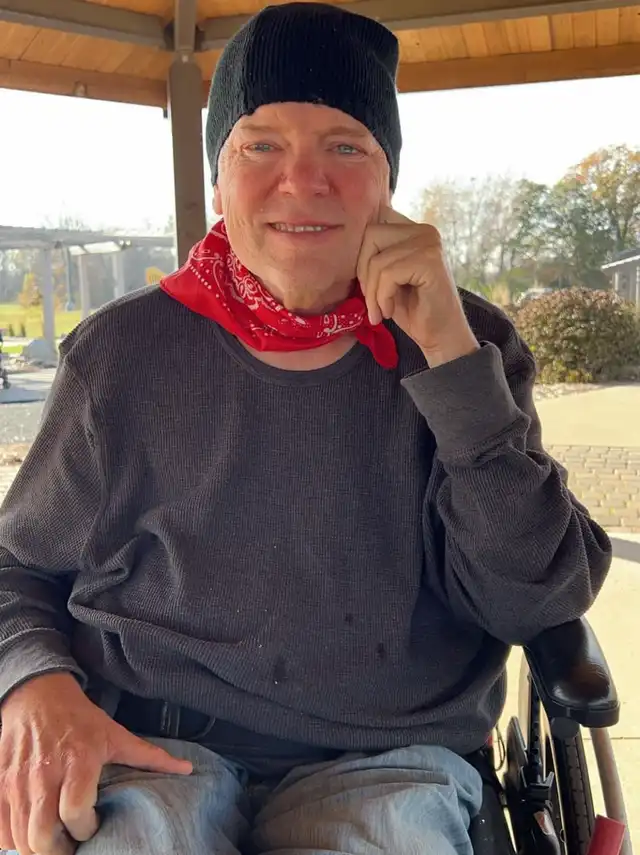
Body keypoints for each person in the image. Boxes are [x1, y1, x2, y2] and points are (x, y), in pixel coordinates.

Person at [0, 4, 611, 854]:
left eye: (345, 147)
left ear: (388, 180)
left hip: (391, 755)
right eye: (260, 145)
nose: (302, 179)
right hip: (154, 741)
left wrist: (448, 361)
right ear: (219, 180)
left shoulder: (468, 343)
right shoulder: (122, 356)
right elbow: (17, 564)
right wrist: (33, 681)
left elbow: (536, 593)